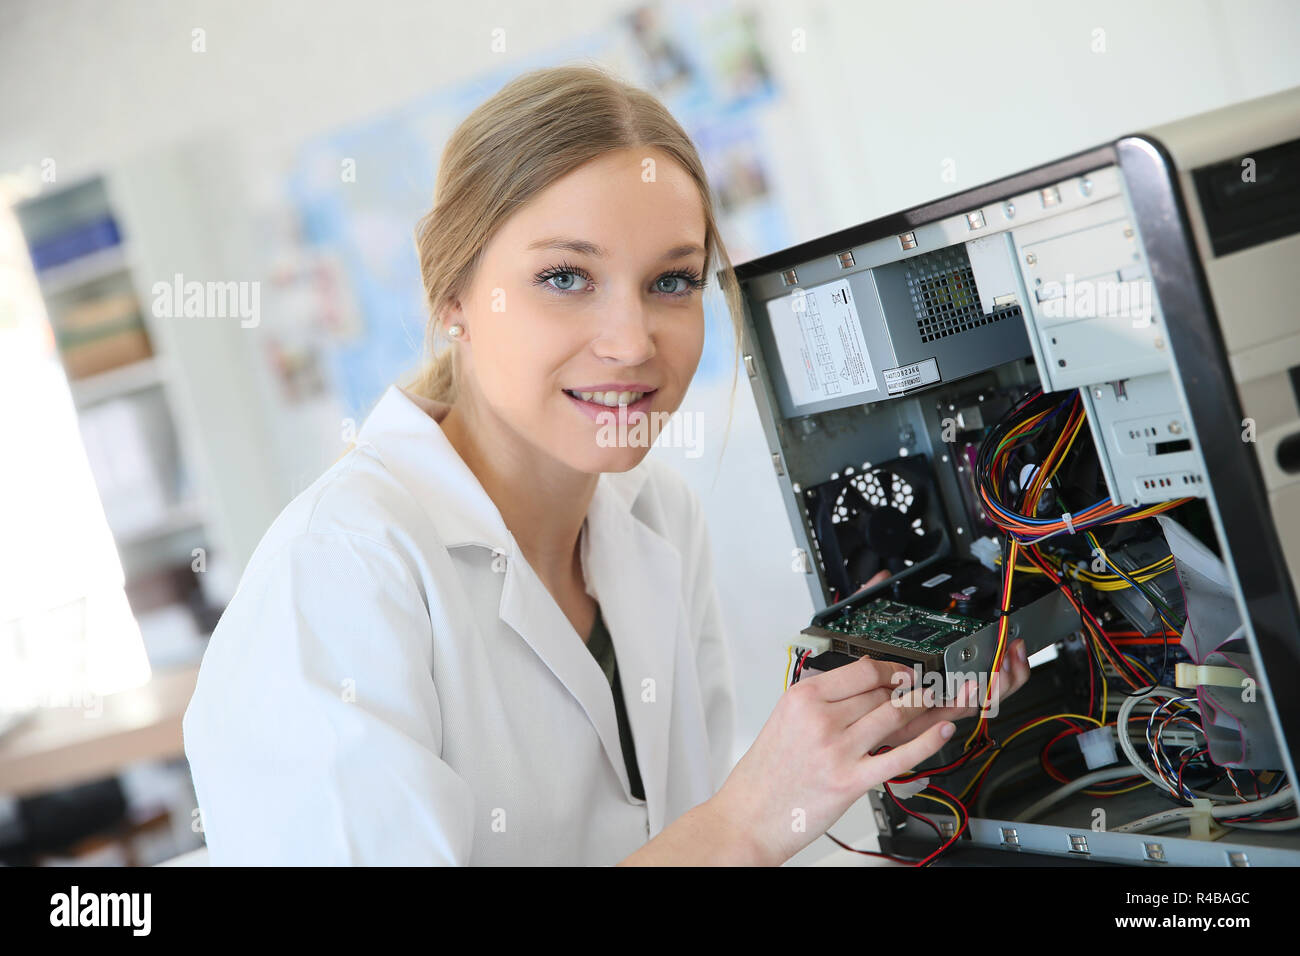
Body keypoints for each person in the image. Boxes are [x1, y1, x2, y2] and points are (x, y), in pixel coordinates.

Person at [182, 64, 1030, 866]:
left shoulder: (656, 514)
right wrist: (744, 824)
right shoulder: (339, 571)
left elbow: (684, 836)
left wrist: (869, 754)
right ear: (452, 296)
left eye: (673, 282)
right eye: (565, 276)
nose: (631, 343)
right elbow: (722, 835)